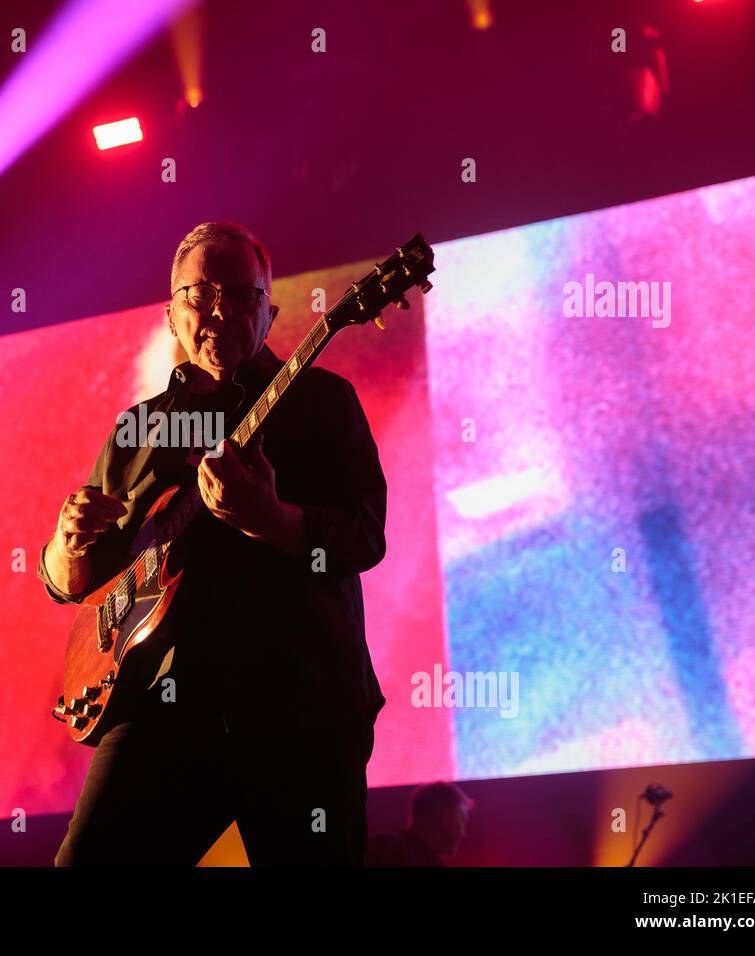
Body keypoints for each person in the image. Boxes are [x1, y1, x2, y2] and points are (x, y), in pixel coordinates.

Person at [40, 221, 387, 866]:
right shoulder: (137, 430)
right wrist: (67, 543)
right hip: (162, 710)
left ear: (271, 311)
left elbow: (366, 536)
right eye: (201, 295)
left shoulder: (321, 402)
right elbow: (74, 581)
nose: (220, 310)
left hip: (302, 713)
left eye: (242, 295)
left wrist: (272, 520)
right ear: (172, 313)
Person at [365, 782, 473, 866]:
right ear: (447, 817)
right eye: (462, 820)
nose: (463, 834)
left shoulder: (381, 851)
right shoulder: (391, 854)